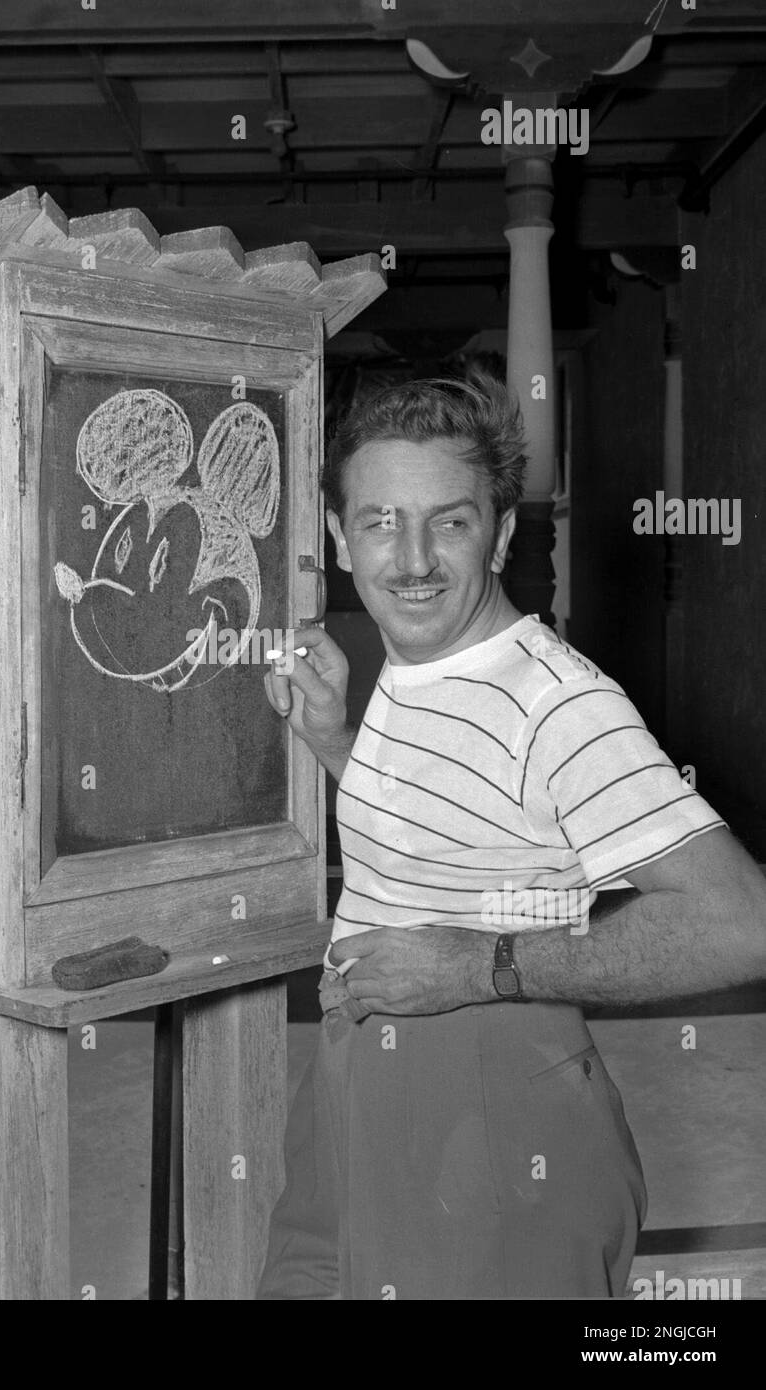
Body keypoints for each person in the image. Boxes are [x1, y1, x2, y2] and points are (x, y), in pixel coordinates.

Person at [256, 375, 766, 1300]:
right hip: (358, 1069)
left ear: (502, 532)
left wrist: (474, 968)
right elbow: (461, 836)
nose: (411, 559)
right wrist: (337, 739)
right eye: (379, 522)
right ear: (338, 539)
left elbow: (742, 921)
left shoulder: (561, 705)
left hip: (488, 1105)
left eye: (449, 522)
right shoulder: (418, 667)